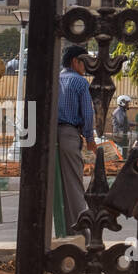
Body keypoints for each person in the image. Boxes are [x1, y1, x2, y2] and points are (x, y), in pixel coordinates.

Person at [56, 45, 96, 235]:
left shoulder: (54, 79)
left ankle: (63, 231)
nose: (87, 66)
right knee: (73, 185)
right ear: (75, 61)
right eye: (85, 61)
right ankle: (83, 234)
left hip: (49, 137)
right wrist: (90, 138)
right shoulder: (79, 82)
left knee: (56, 185)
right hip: (68, 134)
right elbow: (87, 114)